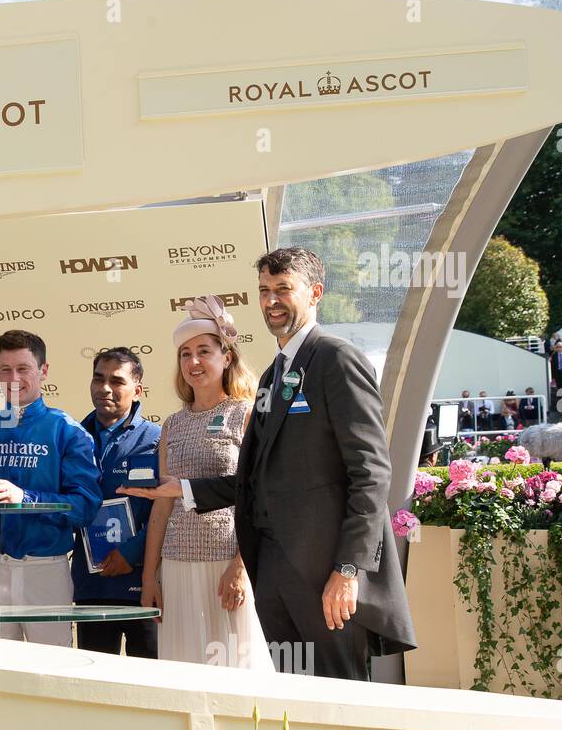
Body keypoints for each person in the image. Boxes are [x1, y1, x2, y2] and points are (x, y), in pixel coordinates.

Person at [126, 247, 416, 680]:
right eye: (264, 290)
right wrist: (185, 490)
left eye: (284, 289)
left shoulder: (336, 358)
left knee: (338, 699)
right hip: (277, 576)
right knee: (292, 703)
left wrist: (348, 569)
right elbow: (257, 477)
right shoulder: (273, 375)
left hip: (326, 579)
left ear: (315, 293)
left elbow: (371, 473)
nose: (271, 300)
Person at [121, 297, 271, 670]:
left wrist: (240, 566)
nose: (193, 362)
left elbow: (257, 495)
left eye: (204, 351)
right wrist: (149, 577)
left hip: (226, 566)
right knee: (184, 671)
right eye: (185, 354)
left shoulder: (246, 413)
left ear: (227, 357)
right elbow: (162, 503)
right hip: (175, 566)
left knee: (238, 669)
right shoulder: (172, 424)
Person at [0, 330, 101, 647]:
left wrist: (25, 498)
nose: (13, 378)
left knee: (51, 670)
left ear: (43, 371)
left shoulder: (67, 430)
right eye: (5, 369)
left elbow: (85, 507)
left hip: (46, 568)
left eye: (23, 368)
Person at [69, 348, 161, 659]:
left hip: (143, 586)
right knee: (93, 682)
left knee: (149, 684)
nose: (105, 388)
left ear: (137, 390)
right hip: (91, 587)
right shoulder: (72, 438)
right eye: (98, 378)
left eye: (116, 381)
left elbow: (169, 512)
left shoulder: (159, 440)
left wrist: (131, 553)